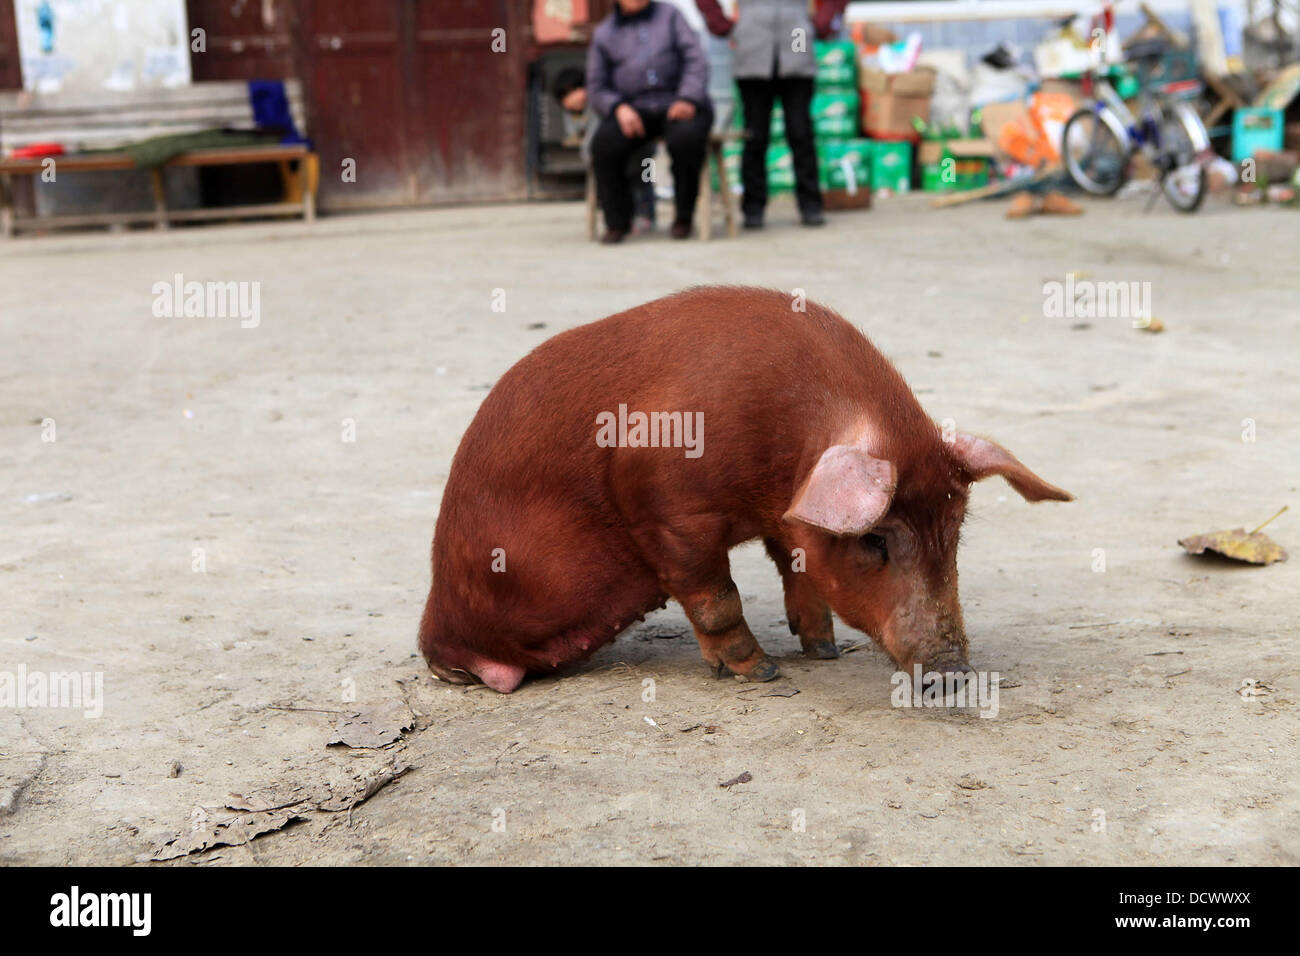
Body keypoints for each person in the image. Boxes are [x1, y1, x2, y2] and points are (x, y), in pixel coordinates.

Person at [697, 0, 849, 228]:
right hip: (753, 44)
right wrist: (720, 24)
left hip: (797, 36)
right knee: (755, 136)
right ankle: (753, 208)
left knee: (801, 133)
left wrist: (821, 23)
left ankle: (810, 205)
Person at [587, 0, 714, 243]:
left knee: (686, 139)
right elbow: (597, 86)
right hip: (634, 109)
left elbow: (696, 60)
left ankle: (684, 215)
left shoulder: (672, 16)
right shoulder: (605, 32)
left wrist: (688, 97)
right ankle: (617, 222)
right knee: (604, 144)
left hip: (679, 102)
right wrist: (618, 107)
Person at [552, 66, 658, 234]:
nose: (573, 98)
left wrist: (589, 155)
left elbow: (592, 139)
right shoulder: (573, 113)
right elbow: (575, 133)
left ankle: (647, 216)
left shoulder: (598, 104)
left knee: (644, 177)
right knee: (618, 182)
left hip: (640, 149)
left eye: (576, 90)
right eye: (566, 96)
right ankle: (627, 216)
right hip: (614, 155)